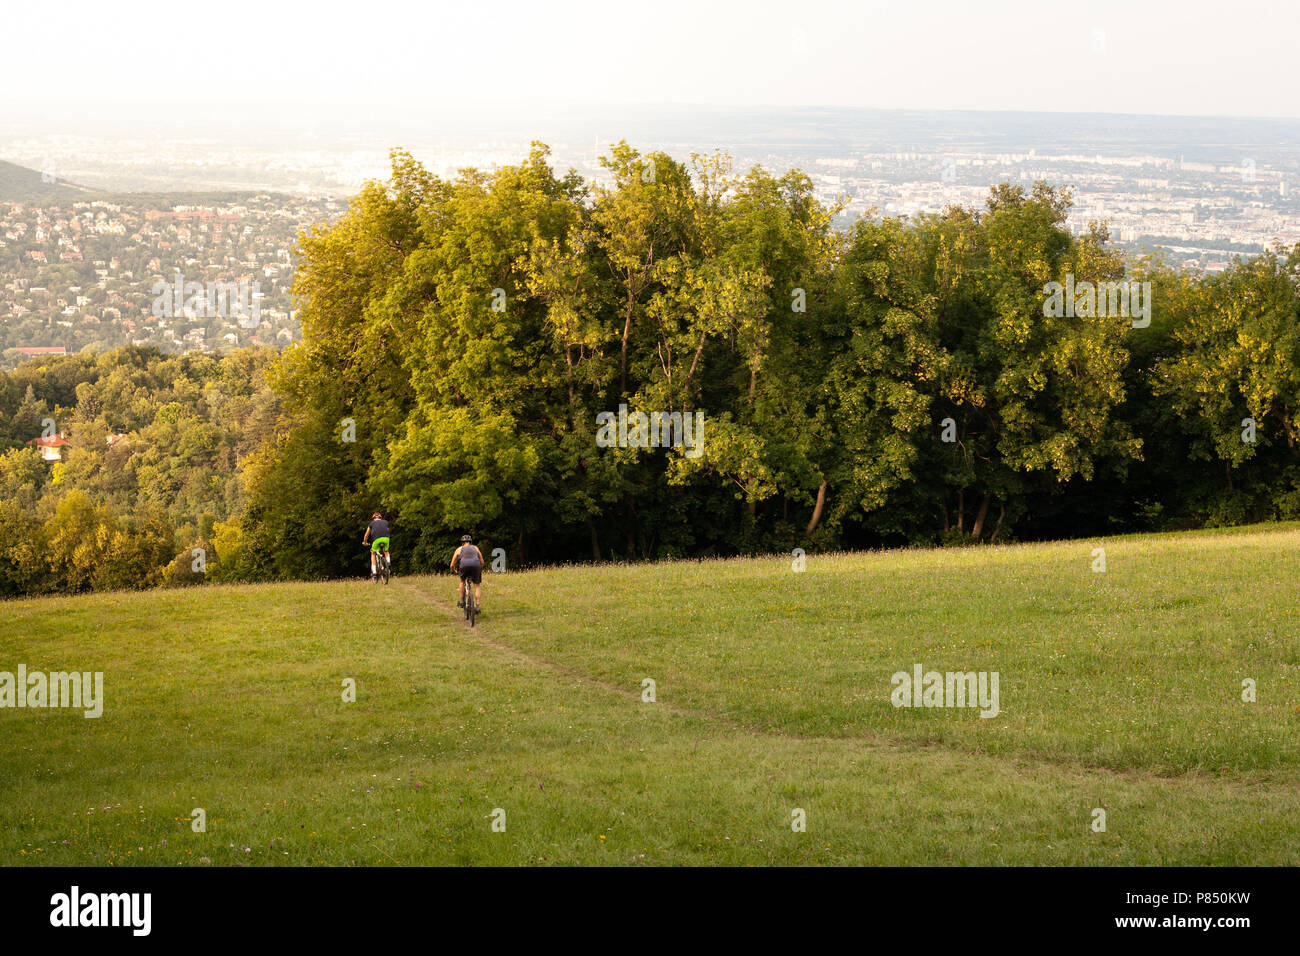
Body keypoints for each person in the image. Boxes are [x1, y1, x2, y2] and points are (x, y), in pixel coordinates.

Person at [450, 534, 483, 612]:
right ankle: (477, 607)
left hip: (464, 565)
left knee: (462, 581)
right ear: (470, 542)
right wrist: (479, 568)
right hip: (476, 566)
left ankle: (461, 601)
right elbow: (482, 561)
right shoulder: (475, 548)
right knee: (477, 585)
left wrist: (454, 571)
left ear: (462, 543)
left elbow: (452, 564)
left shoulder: (459, 549)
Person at [362, 511, 390, 578]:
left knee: (373, 553)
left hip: (376, 540)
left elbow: (366, 535)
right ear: (380, 518)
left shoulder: (371, 523)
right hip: (386, 539)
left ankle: (374, 572)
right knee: (386, 551)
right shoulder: (385, 522)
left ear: (373, 518)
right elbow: (387, 531)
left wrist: (365, 542)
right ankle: (388, 563)